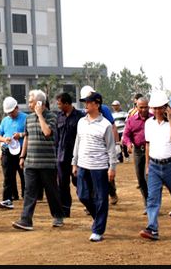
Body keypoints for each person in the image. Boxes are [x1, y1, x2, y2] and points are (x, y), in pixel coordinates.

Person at [12, 90, 65, 231]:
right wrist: (22, 156)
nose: (29, 104)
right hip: (31, 162)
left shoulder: (52, 117)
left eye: (31, 102)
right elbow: (27, 137)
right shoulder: (28, 118)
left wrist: (40, 115)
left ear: (40, 103)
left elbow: (47, 133)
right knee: (29, 192)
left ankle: (58, 215)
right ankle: (26, 220)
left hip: (47, 163)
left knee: (51, 191)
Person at [72, 92, 119, 242]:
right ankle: (98, 218)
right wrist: (74, 162)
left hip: (99, 166)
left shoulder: (105, 125)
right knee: (82, 195)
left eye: (88, 102)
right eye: (85, 102)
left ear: (97, 104)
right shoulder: (81, 122)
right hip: (83, 165)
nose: (85, 105)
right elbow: (78, 143)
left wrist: (112, 167)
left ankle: (98, 230)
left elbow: (111, 148)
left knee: (101, 198)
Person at [140, 92, 171, 241]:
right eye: (155, 108)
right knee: (152, 198)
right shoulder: (149, 123)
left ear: (166, 107)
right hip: (154, 165)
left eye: (160, 108)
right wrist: (147, 165)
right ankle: (152, 228)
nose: (157, 111)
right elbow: (148, 145)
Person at [80, 86, 120, 204]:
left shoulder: (105, 109)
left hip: (104, 146)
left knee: (106, 174)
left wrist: (116, 143)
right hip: (90, 149)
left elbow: (112, 126)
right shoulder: (83, 113)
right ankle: (92, 200)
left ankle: (112, 192)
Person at [55, 92, 85, 217]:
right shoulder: (59, 117)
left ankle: (89, 203)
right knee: (62, 185)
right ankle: (65, 210)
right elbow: (56, 138)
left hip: (76, 157)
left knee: (79, 182)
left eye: (59, 104)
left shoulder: (80, 117)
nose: (58, 106)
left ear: (67, 104)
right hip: (61, 157)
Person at [0, 96, 27, 209]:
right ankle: (7, 199)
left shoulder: (26, 118)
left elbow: (30, 133)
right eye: (8, 113)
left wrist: (21, 135)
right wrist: (4, 139)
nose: (10, 114)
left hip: (22, 150)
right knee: (8, 176)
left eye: (12, 112)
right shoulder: (5, 120)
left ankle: (26, 196)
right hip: (7, 150)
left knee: (24, 175)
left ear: (17, 108)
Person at [122, 96, 151, 213]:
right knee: (141, 179)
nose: (144, 110)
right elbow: (126, 135)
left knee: (149, 177)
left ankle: (152, 203)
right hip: (138, 151)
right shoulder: (131, 120)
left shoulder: (153, 119)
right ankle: (147, 203)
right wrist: (129, 144)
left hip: (152, 151)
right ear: (136, 107)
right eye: (141, 107)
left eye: (146, 107)